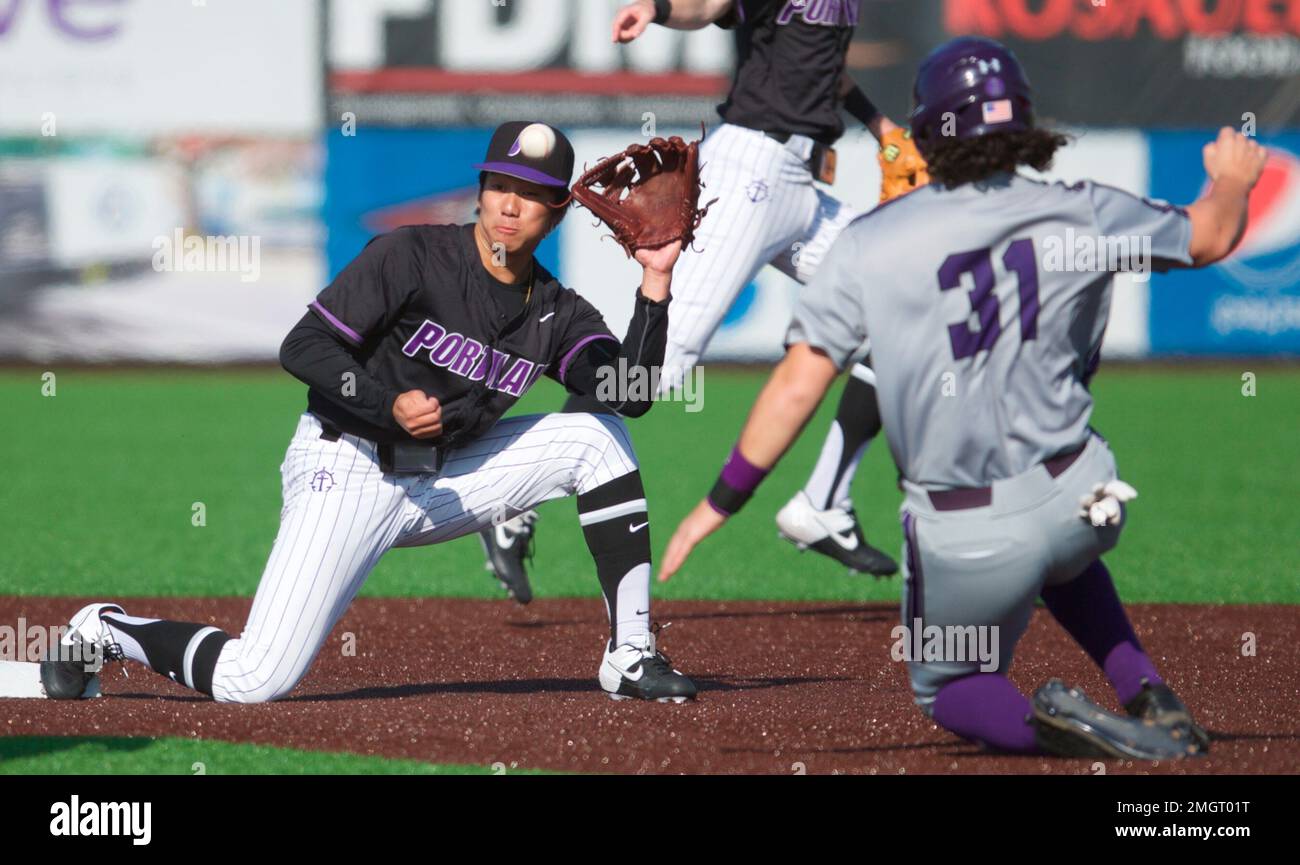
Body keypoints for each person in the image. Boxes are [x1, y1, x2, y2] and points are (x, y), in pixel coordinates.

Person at [656, 37, 1265, 756]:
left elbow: (798, 385)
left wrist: (719, 502)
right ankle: (1147, 692)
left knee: (950, 685)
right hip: (1082, 493)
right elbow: (1211, 235)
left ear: (926, 135)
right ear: (1025, 127)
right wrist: (1231, 178)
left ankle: (1087, 738)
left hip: (968, 532)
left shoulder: (871, 242)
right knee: (1064, 559)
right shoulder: (1085, 211)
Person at [40, 121, 697, 705]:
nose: (509, 204)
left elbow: (628, 393)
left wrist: (656, 282)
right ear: (481, 188)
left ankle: (629, 654)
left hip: (444, 480)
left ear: (556, 211)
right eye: (500, 184)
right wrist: (385, 404)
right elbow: (303, 346)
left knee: (598, 437)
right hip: (346, 465)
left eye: (528, 193)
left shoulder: (557, 312)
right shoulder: (410, 256)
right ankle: (105, 627)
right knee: (254, 679)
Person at [482, 0, 909, 605]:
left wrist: (879, 124)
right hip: (752, 172)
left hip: (802, 188)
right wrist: (655, 9)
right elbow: (708, 5)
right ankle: (510, 501)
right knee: (661, 363)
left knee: (903, 307)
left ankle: (823, 503)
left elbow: (819, 65)